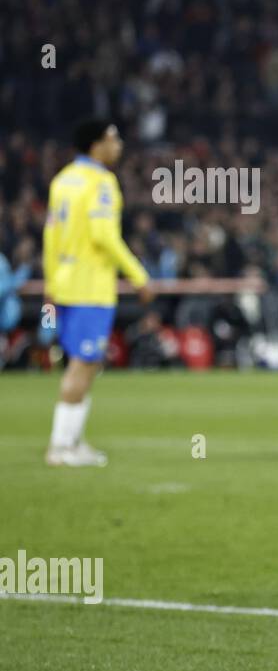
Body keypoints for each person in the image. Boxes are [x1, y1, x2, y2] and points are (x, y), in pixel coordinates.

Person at [42, 119, 153, 467]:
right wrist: (138, 274)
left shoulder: (62, 180)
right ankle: (60, 448)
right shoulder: (101, 182)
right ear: (95, 145)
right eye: (112, 138)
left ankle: (72, 442)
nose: (118, 144)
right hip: (91, 287)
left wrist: (50, 282)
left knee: (85, 362)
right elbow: (104, 236)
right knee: (83, 363)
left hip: (67, 282)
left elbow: (50, 237)